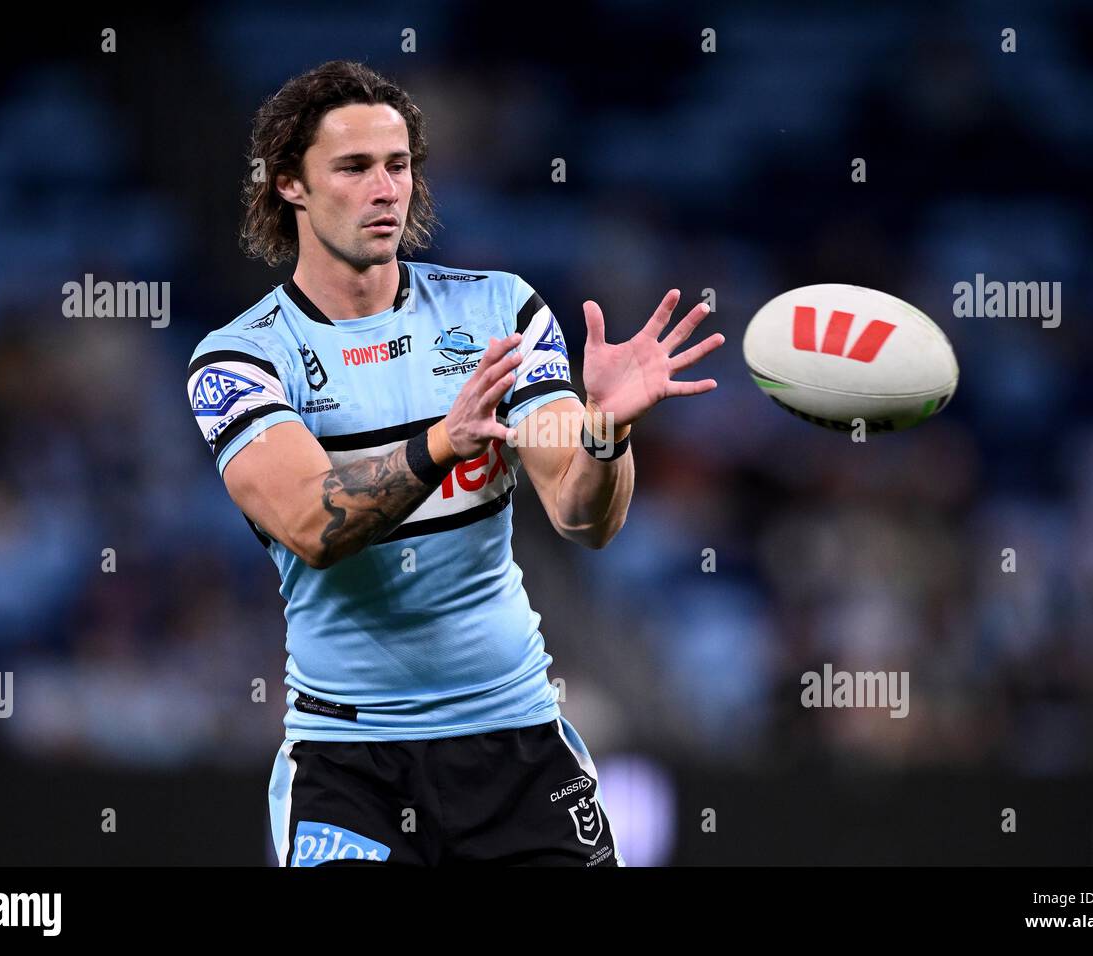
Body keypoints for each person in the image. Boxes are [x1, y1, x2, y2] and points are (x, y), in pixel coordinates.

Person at [187, 60, 723, 866]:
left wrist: (606, 433)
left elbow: (582, 516)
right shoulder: (242, 359)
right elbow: (309, 520)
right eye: (355, 167)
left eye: (399, 165)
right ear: (290, 185)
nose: (386, 189)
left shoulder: (498, 311)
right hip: (350, 761)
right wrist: (443, 442)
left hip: (514, 743)